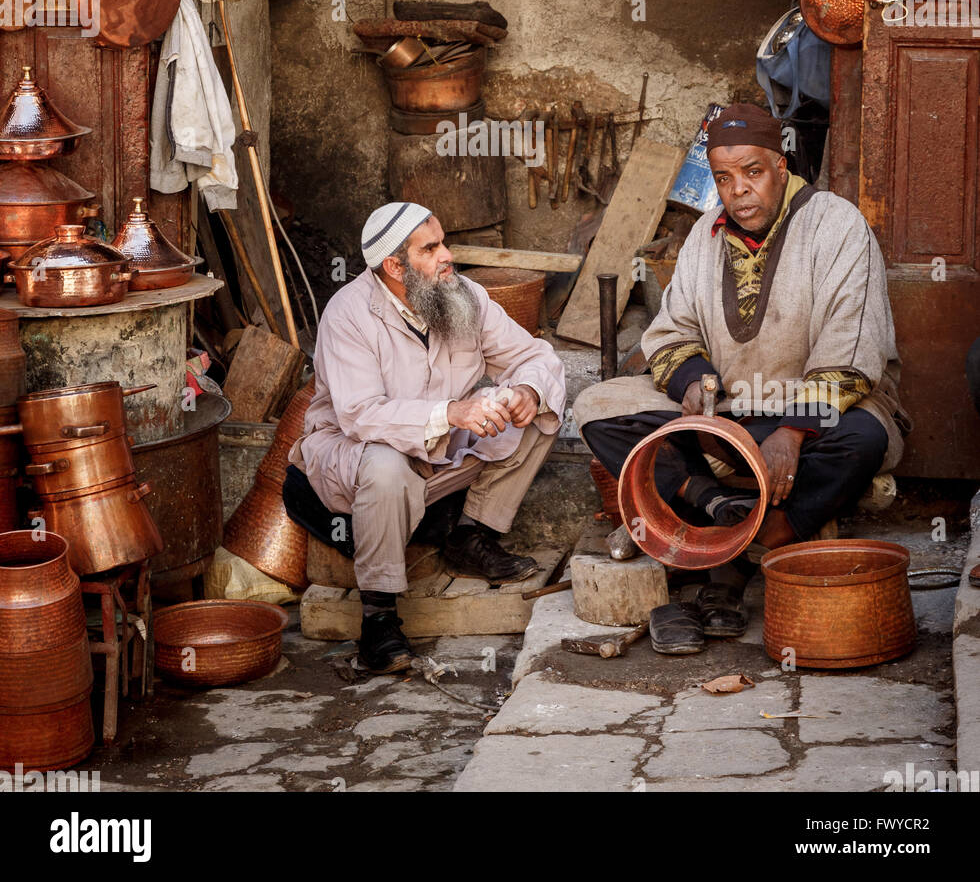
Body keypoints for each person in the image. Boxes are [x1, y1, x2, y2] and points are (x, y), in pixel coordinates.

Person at [575, 102, 908, 655]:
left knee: (864, 438)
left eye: (753, 172)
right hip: (728, 413)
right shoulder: (705, 233)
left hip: (814, 408)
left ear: (781, 165)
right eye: (724, 178)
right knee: (598, 409)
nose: (738, 191)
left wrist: (793, 433)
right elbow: (672, 332)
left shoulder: (835, 223)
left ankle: (748, 548)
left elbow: (854, 348)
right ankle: (713, 505)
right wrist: (696, 391)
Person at [287, 202, 566, 673]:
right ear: (395, 266)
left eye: (444, 242)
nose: (447, 256)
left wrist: (525, 389)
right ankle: (378, 620)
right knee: (384, 464)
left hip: (437, 459)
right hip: (355, 463)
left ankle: (470, 535)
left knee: (537, 412)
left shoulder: (465, 296)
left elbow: (536, 355)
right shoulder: (349, 315)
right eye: (431, 248)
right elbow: (360, 415)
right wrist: (454, 412)